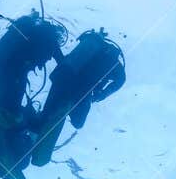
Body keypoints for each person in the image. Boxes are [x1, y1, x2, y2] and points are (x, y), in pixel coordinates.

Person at [29, 29, 125, 167]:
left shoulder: (85, 48)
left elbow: (64, 60)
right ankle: (36, 139)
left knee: (48, 113)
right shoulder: (112, 59)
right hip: (82, 89)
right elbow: (121, 80)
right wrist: (102, 94)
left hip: (61, 79)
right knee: (78, 123)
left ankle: (30, 130)